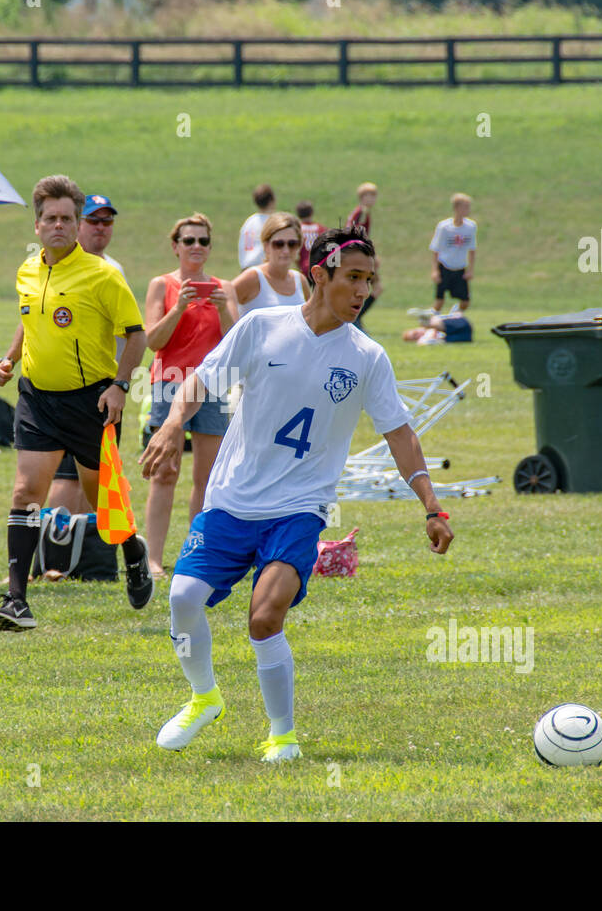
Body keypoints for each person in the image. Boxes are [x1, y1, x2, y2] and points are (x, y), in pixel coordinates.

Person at [140, 226, 454, 763]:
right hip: (232, 498)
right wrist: (172, 425)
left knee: (265, 617)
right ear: (318, 275)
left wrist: (432, 506)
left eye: (369, 280)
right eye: (353, 278)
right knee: (182, 599)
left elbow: (399, 433)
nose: (363, 291)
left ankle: (282, 736)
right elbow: (201, 381)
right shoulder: (262, 327)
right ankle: (204, 698)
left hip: (299, 510)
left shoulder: (367, 356)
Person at [0, 175, 153, 632]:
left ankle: (133, 552)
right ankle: (17, 600)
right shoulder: (27, 271)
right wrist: (8, 359)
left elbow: (135, 335)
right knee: (26, 493)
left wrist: (119, 386)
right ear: (38, 225)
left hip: (90, 401)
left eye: (67, 218)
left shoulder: (102, 275)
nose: (58, 225)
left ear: (78, 225)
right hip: (37, 399)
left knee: (104, 503)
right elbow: (31, 320)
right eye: (50, 218)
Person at [143, 213, 238, 578]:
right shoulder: (161, 285)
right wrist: (179, 306)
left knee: (207, 475)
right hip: (169, 383)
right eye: (189, 241)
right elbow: (154, 341)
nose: (196, 247)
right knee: (165, 472)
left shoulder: (223, 288)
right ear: (176, 246)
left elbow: (234, 343)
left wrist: (221, 308)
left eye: (202, 241)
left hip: (213, 384)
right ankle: (153, 558)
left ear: (210, 247)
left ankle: (194, 552)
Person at [47, 193, 125, 517]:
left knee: (97, 476)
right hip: (65, 388)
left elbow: (130, 331)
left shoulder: (113, 269)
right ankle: (55, 555)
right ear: (78, 225)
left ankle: (86, 549)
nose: (101, 228)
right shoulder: (60, 266)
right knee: (66, 474)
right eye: (93, 220)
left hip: (105, 387)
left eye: (107, 221)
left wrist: (120, 384)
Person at [233, 212, 308, 318]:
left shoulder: (300, 281)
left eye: (292, 244)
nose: (286, 250)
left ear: (299, 246)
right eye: (279, 244)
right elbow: (222, 303)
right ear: (266, 246)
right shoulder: (253, 277)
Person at [430, 193, 477, 313]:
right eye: (465, 206)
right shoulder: (444, 227)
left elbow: (472, 249)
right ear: (457, 208)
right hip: (445, 266)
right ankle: (431, 324)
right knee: (439, 301)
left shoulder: (471, 226)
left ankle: (453, 317)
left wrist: (470, 270)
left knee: (465, 302)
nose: (468, 210)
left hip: (460, 267)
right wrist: (435, 270)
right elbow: (436, 249)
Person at [347, 183, 380, 331]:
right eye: (370, 195)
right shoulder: (361, 213)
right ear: (362, 197)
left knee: (372, 288)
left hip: (361, 256)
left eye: (374, 195)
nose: (373, 199)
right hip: (360, 257)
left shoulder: (362, 212)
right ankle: (356, 317)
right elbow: (353, 235)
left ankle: (357, 317)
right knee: (373, 288)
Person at [237, 183, 275, 272]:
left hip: (245, 267)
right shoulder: (272, 222)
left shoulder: (249, 222)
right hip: (261, 268)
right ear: (271, 200)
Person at [295, 200, 326, 280]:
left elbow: (296, 254)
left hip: (304, 267)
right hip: (320, 267)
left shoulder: (297, 230)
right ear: (312, 212)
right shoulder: (321, 229)